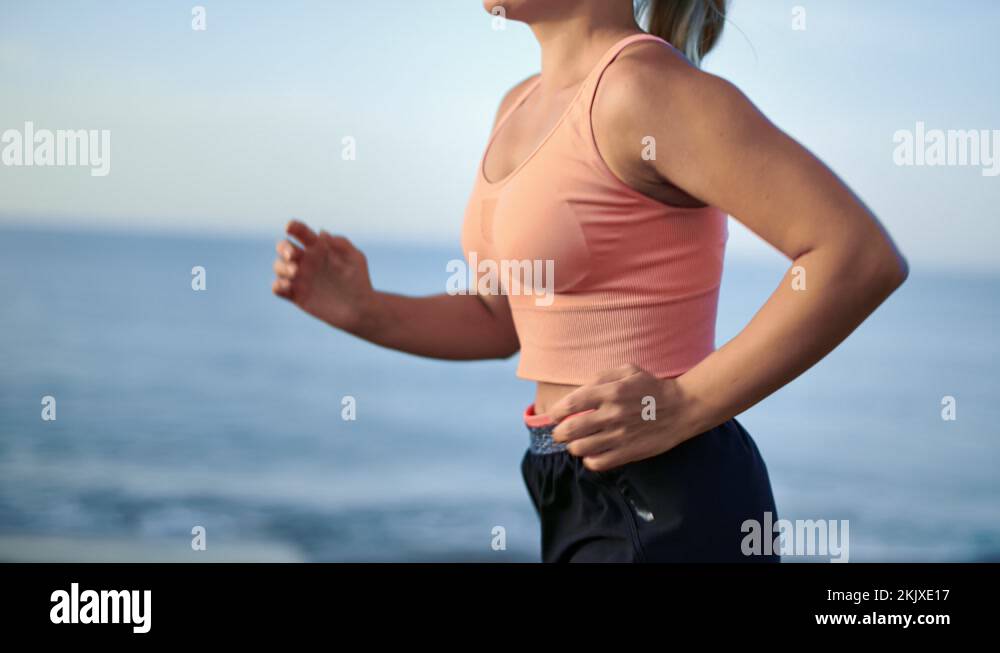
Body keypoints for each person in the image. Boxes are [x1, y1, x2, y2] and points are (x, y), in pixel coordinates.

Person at [271, 0, 908, 562]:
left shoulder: (645, 90)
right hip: (566, 477)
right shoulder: (517, 105)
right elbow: (503, 320)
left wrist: (683, 405)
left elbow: (854, 255)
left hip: (667, 488)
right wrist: (362, 309)